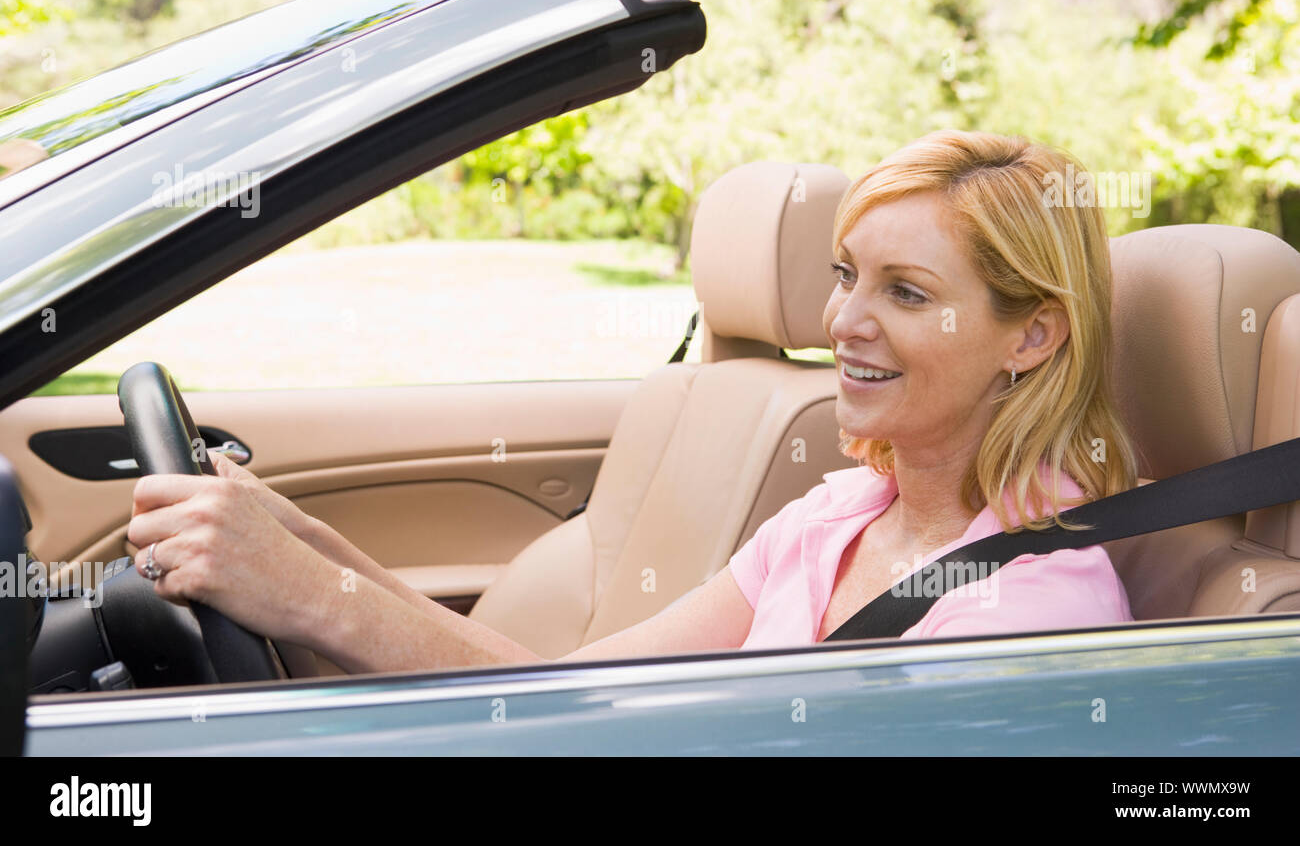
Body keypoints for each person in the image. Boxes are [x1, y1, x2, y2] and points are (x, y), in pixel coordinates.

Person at [127, 129, 1139, 673]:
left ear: (1032, 333)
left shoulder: (1028, 610)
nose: (843, 320)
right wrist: (303, 545)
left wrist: (305, 595)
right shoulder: (835, 518)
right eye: (845, 274)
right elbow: (573, 688)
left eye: (905, 293)